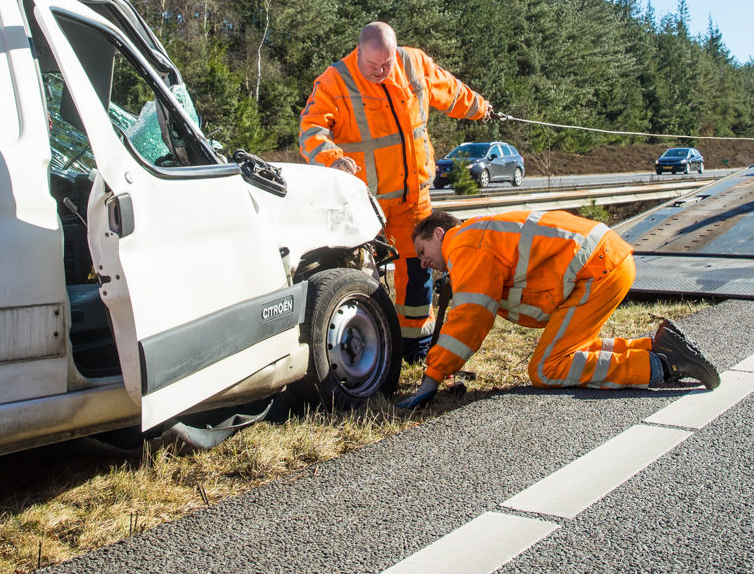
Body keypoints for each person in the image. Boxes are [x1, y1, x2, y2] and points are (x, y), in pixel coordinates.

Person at [396, 208, 721, 409]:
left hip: (596, 270)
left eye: (423, 251)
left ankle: (661, 366)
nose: (425, 263)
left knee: (546, 368)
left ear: (440, 233)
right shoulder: (482, 231)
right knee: (568, 349)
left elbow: (471, 314)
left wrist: (433, 377)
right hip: (605, 261)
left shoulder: (464, 244)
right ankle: (656, 345)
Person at [299, 22, 493, 357]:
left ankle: (415, 345)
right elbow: (310, 129)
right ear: (358, 51)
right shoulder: (335, 81)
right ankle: (363, 348)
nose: (380, 72)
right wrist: (333, 159)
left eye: (386, 65)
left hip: (413, 198)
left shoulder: (413, 63)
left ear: (395, 52)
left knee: (419, 270)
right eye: (372, 65)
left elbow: (451, 91)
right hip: (365, 203)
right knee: (360, 275)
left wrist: (481, 108)